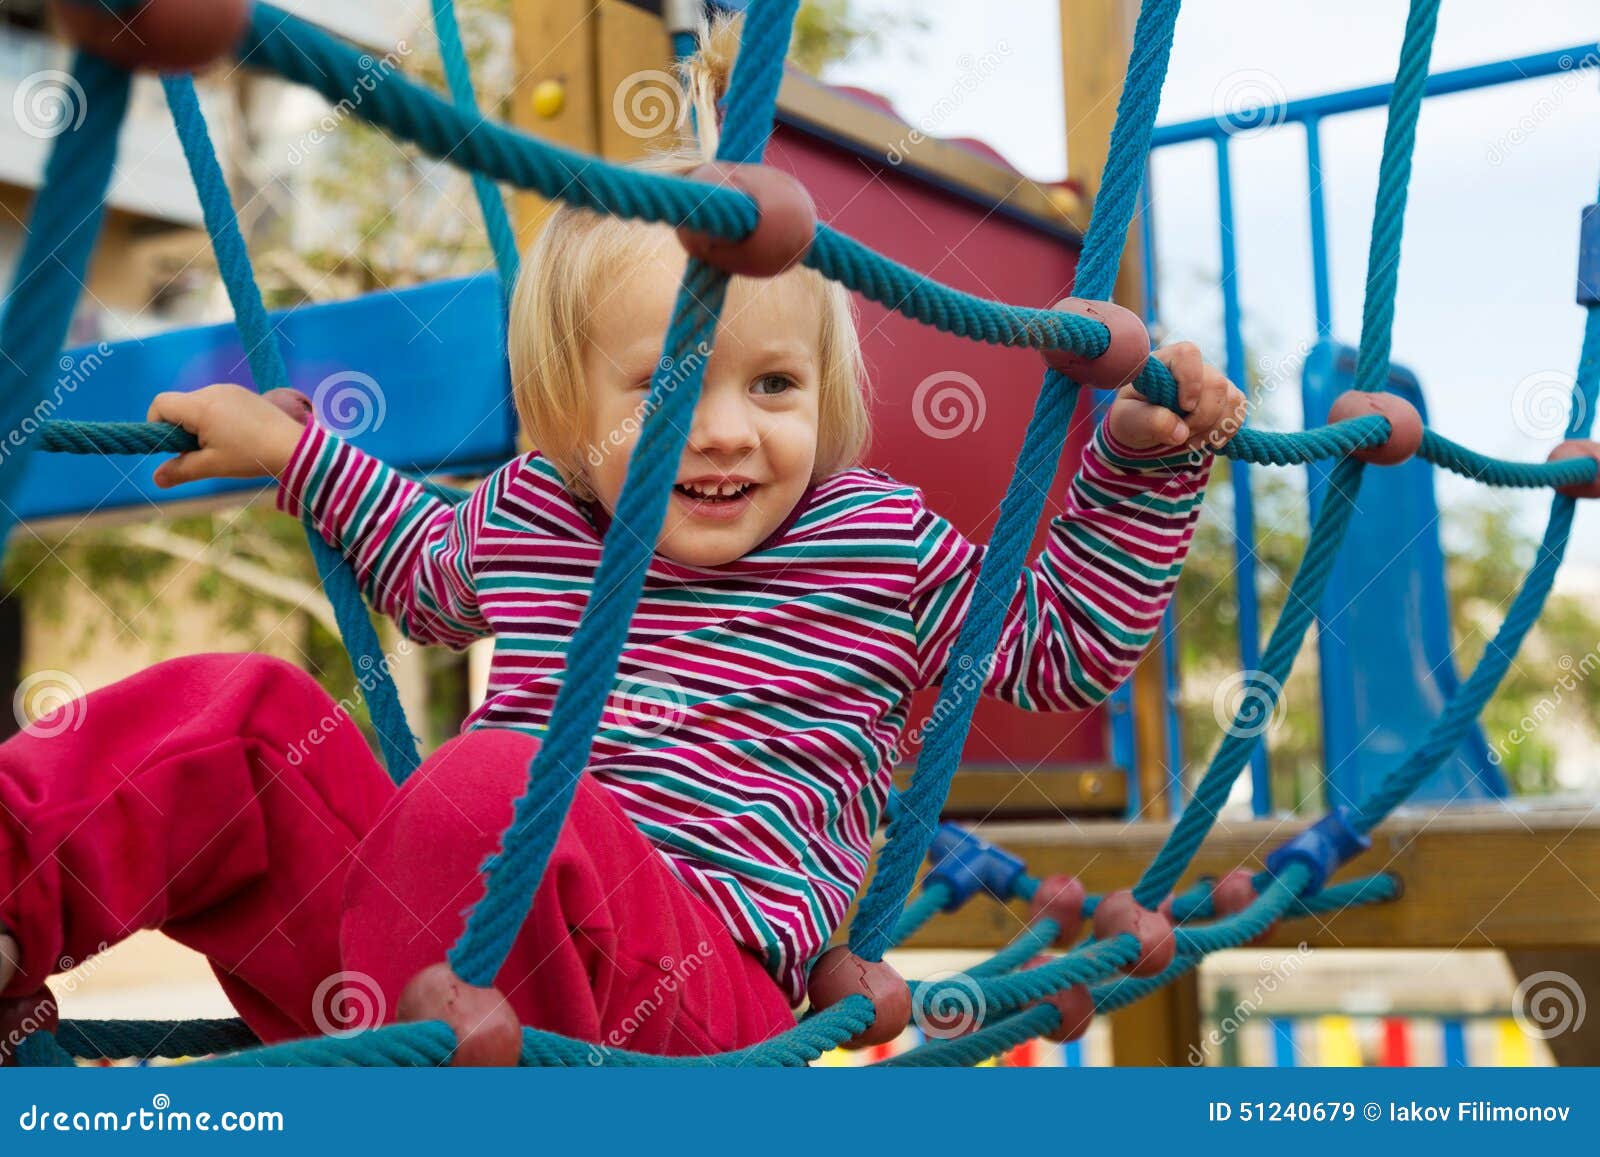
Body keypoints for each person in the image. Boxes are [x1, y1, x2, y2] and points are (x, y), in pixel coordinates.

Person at [0, 15, 1245, 1061]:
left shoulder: (876, 540)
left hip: (686, 1005)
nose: (723, 434)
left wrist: (1137, 466)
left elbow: (1054, 655)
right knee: (247, 716)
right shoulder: (540, 509)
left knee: (492, 790)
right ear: (560, 412)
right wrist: (293, 454)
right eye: (667, 383)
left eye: (772, 387)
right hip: (433, 983)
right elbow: (423, 562)